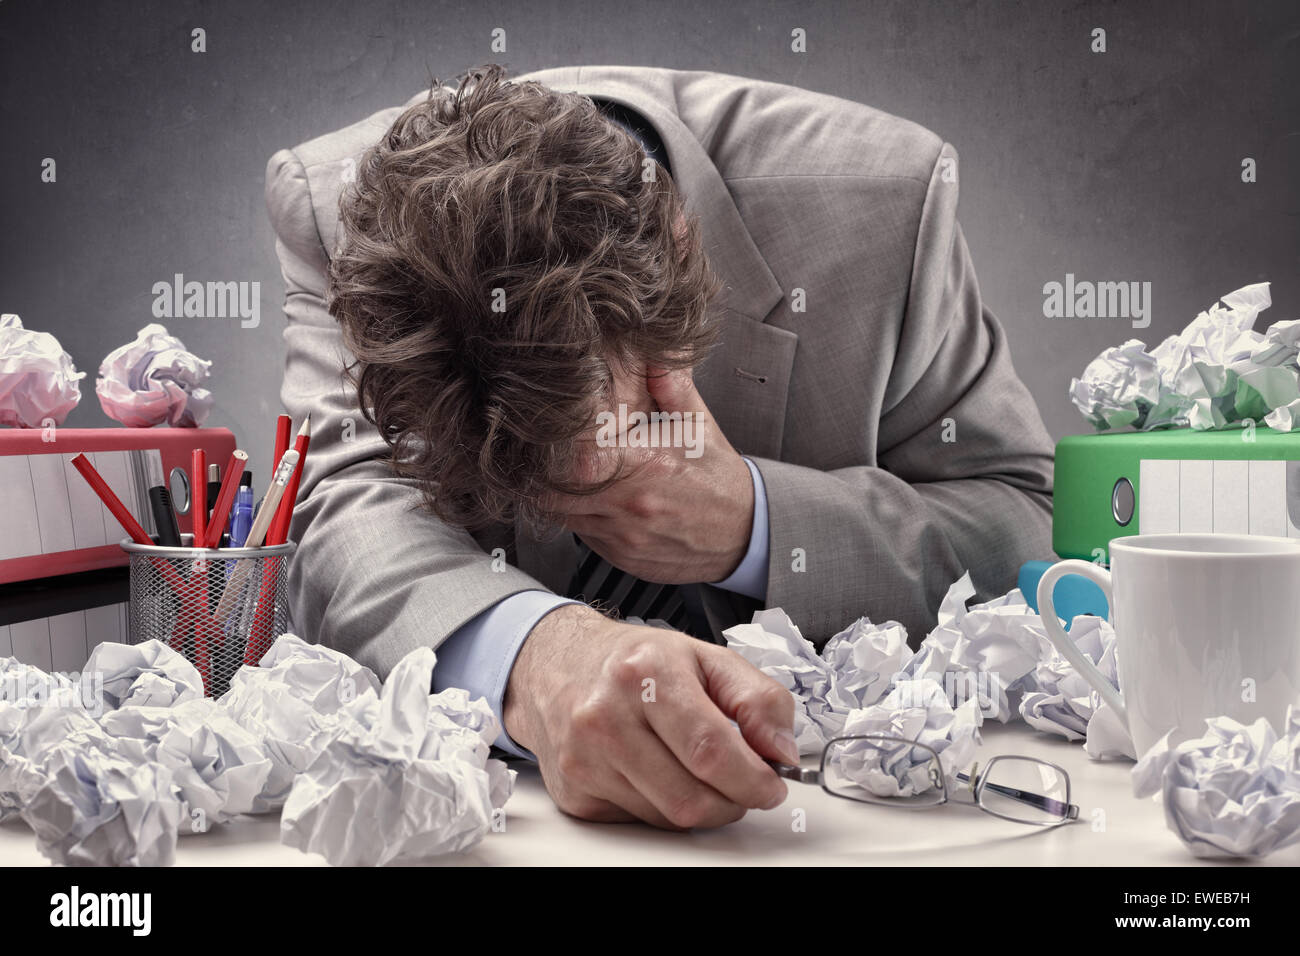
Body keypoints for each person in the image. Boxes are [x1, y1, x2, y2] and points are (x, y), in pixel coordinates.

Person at [264, 63, 1054, 830]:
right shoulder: (339, 213)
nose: (571, 494)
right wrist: (537, 659)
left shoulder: (889, 202)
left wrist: (757, 523)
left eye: (588, 439)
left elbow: (1024, 519)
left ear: (683, 250)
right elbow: (344, 504)